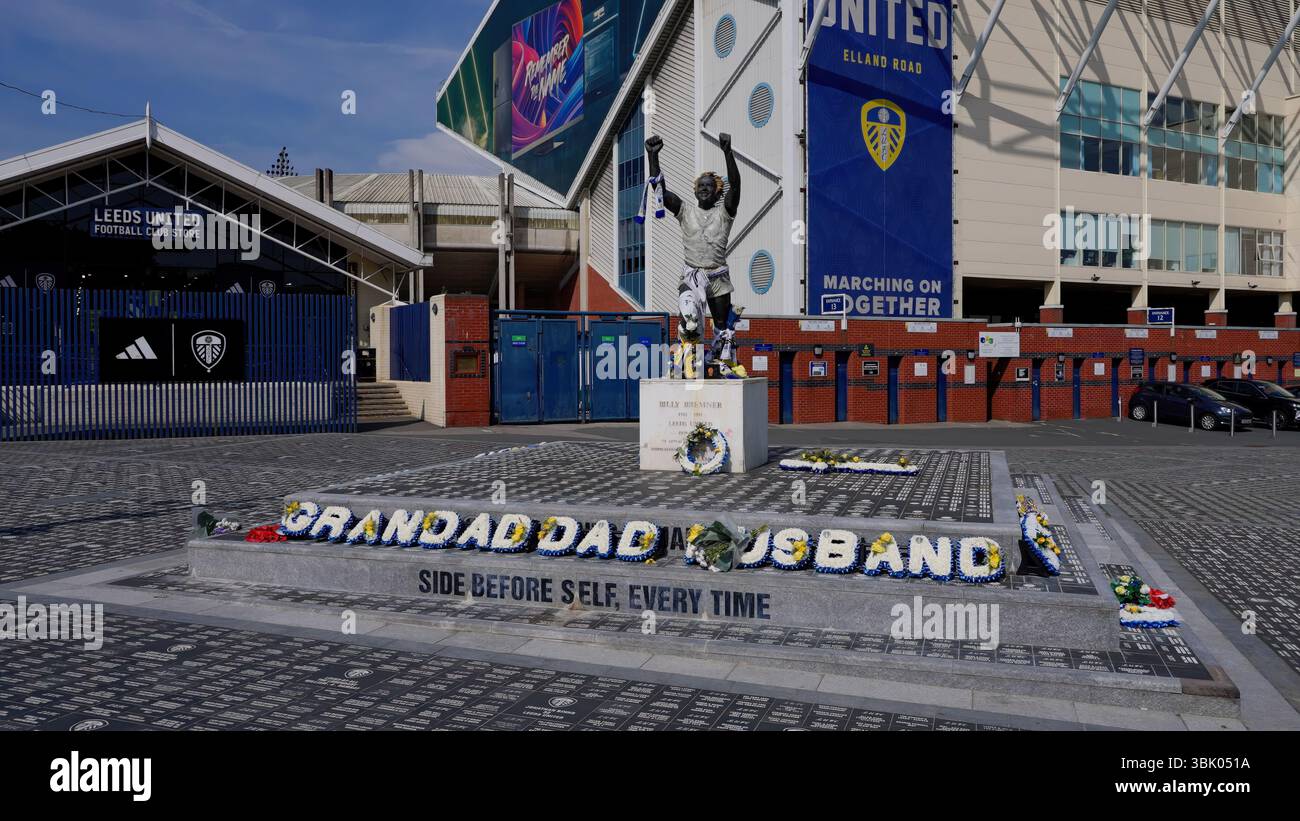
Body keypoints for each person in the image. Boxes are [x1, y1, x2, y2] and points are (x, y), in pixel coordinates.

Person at [643, 132, 744, 375]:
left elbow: (737, 185)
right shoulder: (685, 210)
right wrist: (653, 156)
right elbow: (659, 191)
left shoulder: (725, 212)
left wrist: (728, 152)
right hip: (692, 275)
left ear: (718, 192)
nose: (704, 189)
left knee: (723, 329)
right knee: (689, 321)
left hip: (718, 276)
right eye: (700, 186)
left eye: (709, 186)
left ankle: (723, 366)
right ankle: (685, 363)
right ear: (695, 190)